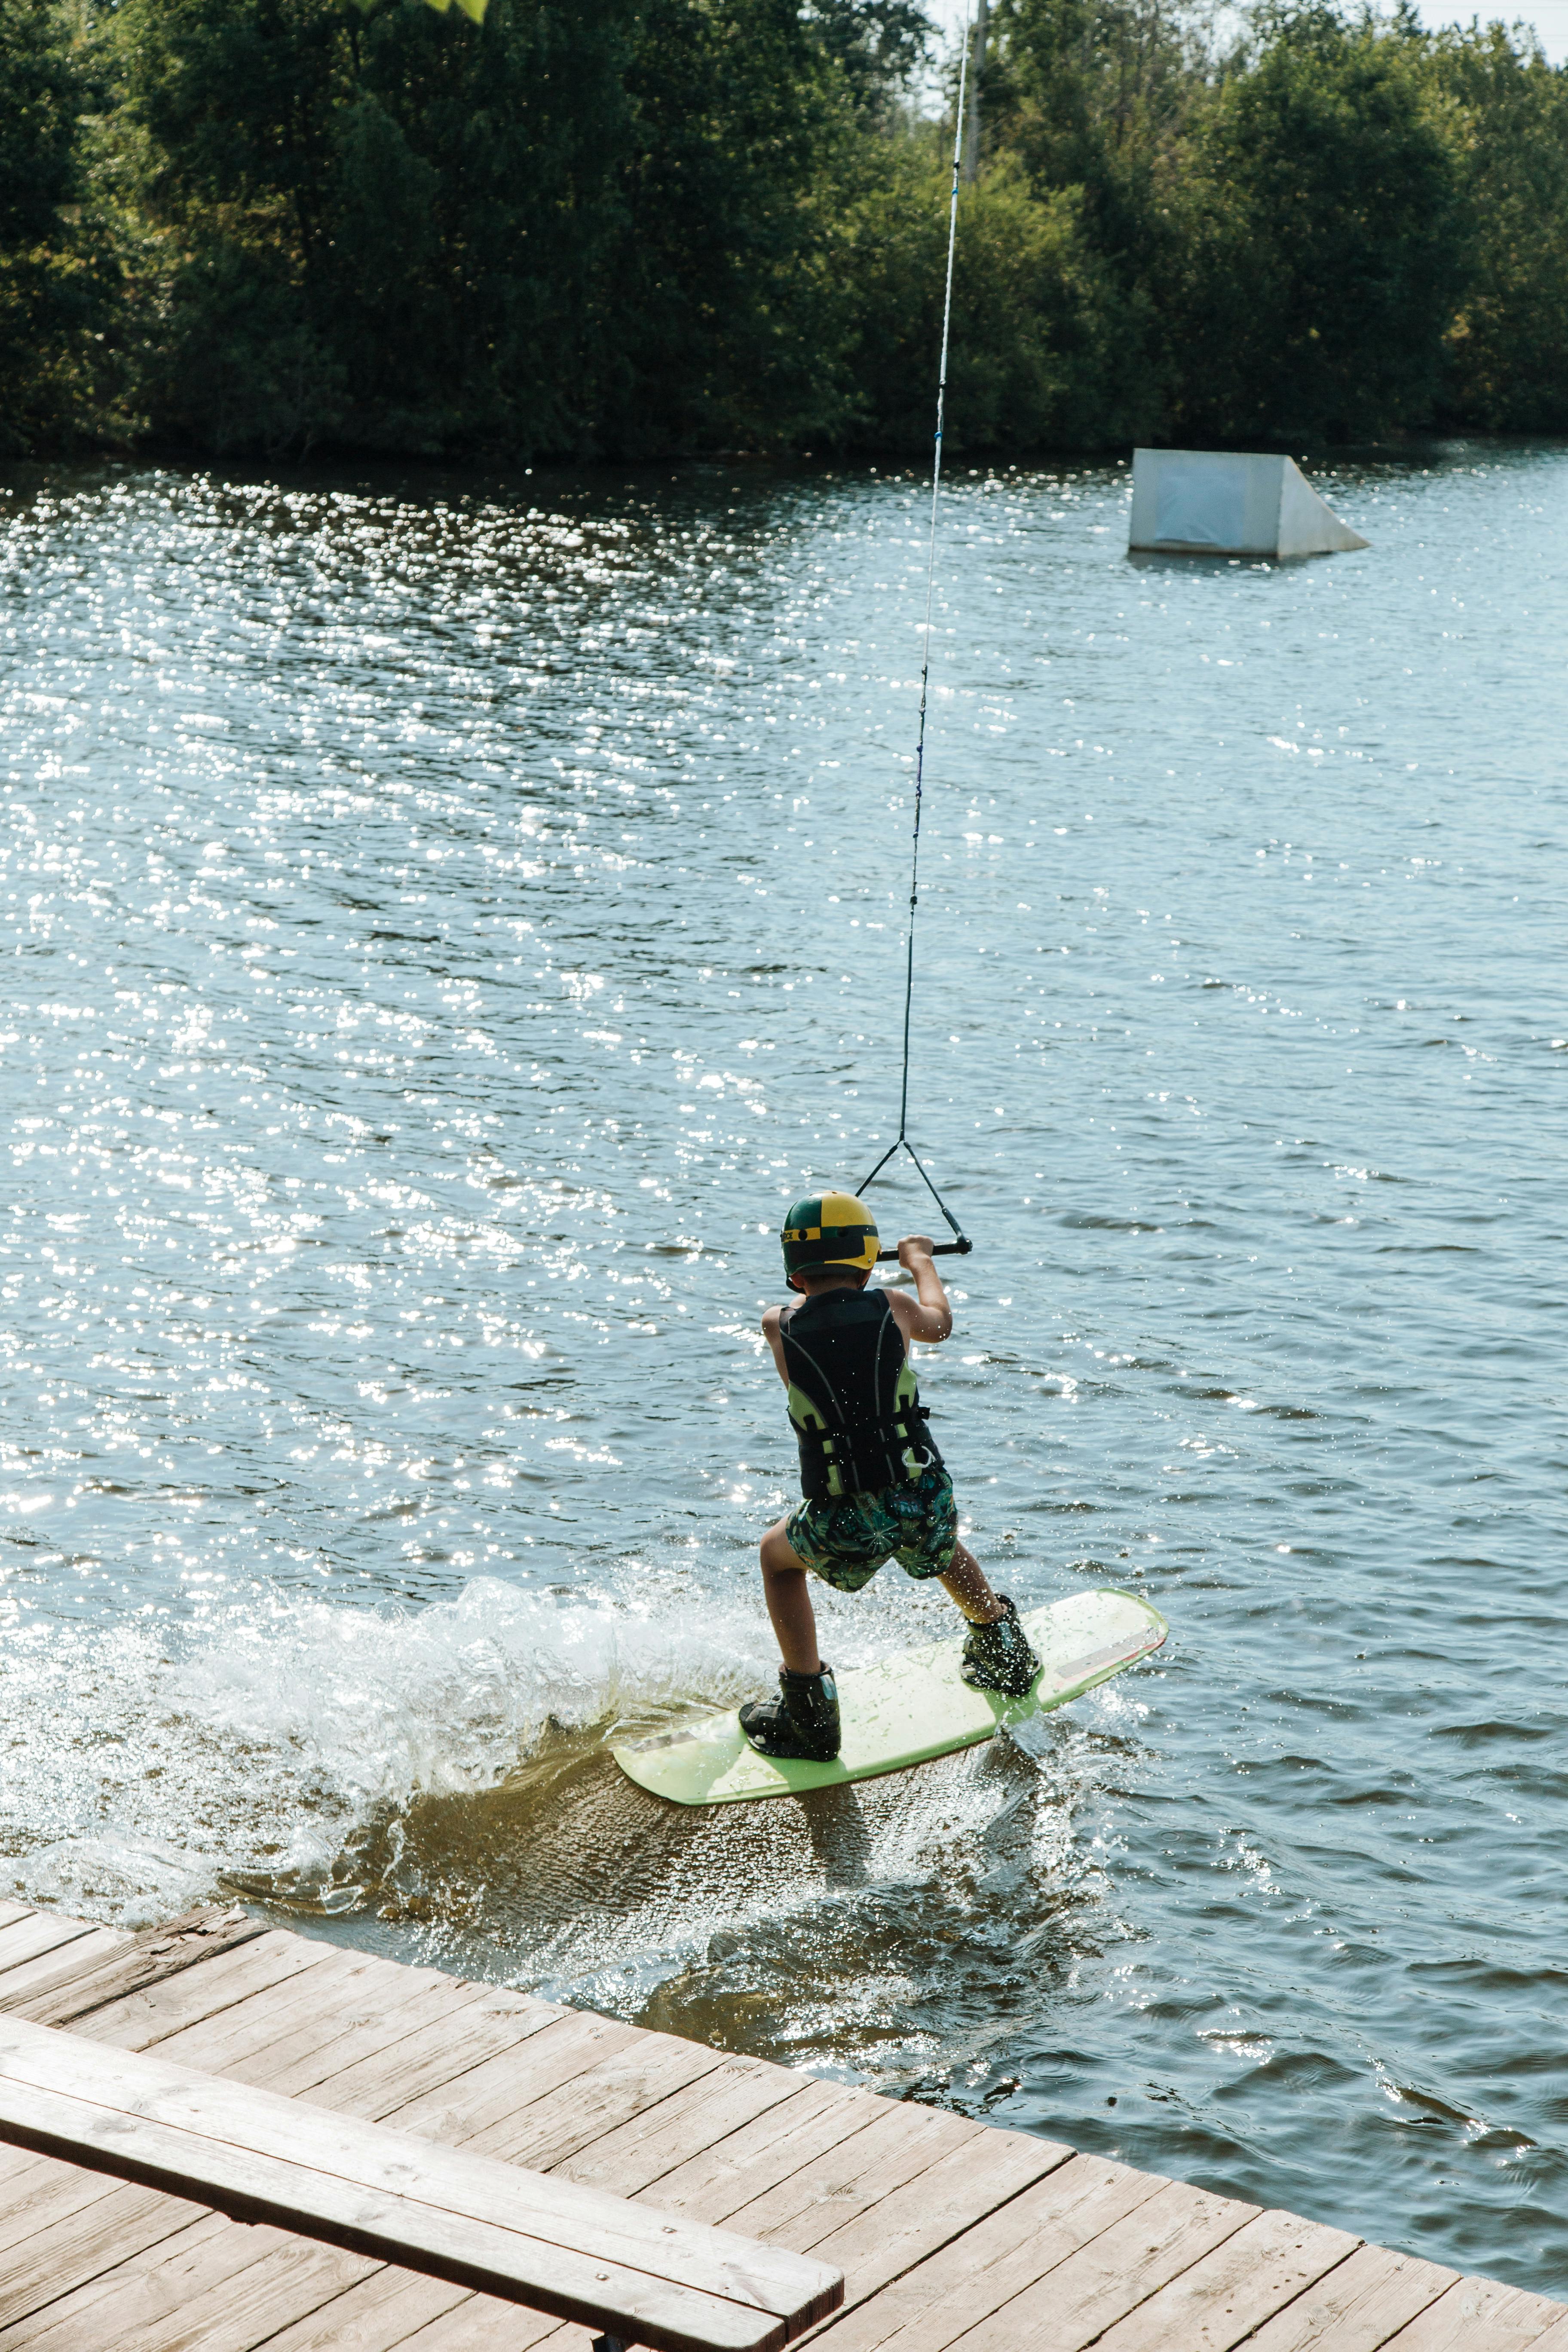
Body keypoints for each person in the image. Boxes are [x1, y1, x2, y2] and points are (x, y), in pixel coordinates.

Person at [740, 1190, 1041, 1761]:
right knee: (943, 1544)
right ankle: (1004, 1650)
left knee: (775, 1560)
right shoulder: (897, 1307)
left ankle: (808, 1712)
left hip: (844, 1516)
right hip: (923, 1496)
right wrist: (919, 1259)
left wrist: (851, 1271)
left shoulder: (777, 1327)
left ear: (793, 1272)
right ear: (867, 1260)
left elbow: (822, 1313)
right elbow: (941, 1325)